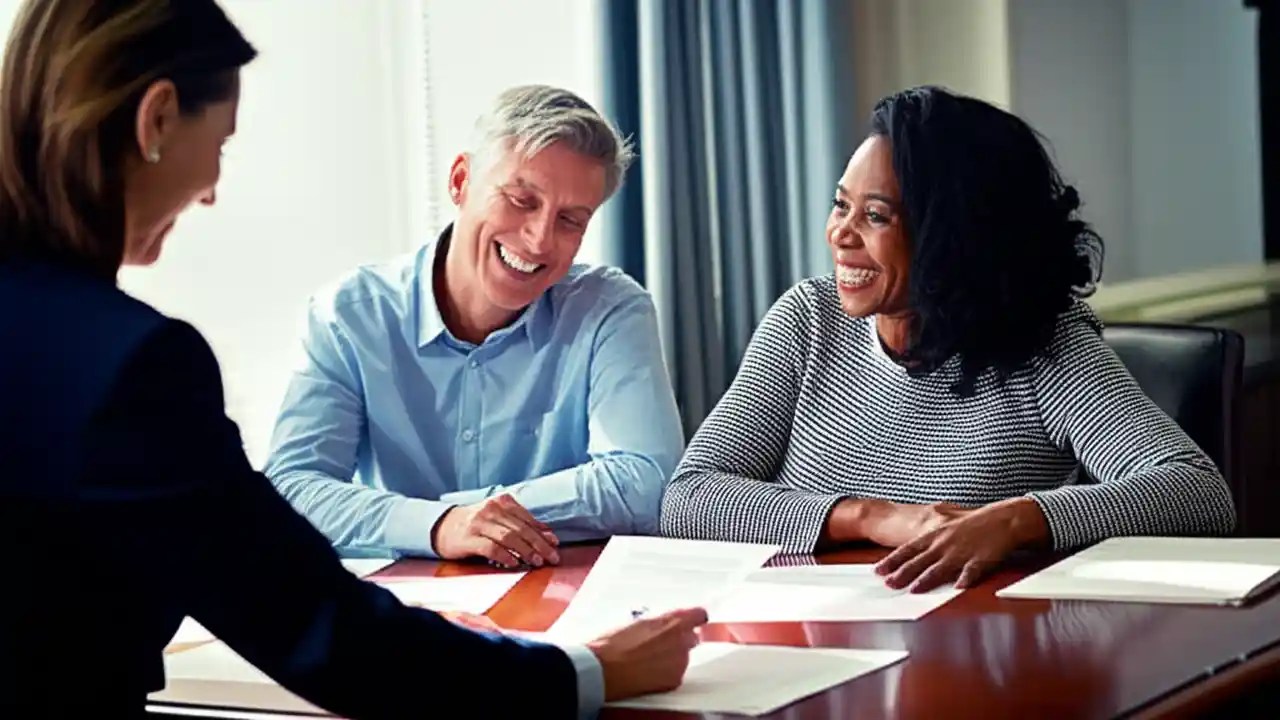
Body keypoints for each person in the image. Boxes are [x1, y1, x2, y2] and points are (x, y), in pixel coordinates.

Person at [0, 1, 704, 717]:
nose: (211, 190)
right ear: (155, 120)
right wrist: (582, 673)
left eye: (570, 219)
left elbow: (645, 479)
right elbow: (315, 625)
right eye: (219, 144)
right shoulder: (130, 365)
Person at [659, 85, 1236, 592]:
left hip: (971, 656)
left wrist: (1016, 520)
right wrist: (869, 517)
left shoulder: (1046, 346)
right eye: (841, 205)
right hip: (805, 646)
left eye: (876, 216)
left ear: (952, 236)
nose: (840, 233)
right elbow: (689, 497)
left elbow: (1197, 493)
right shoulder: (809, 319)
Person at [263, 84, 684, 567]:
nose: (539, 239)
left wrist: (459, 517)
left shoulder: (609, 308)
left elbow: (645, 482)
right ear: (461, 181)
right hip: (402, 609)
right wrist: (440, 528)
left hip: (560, 599)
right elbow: (293, 488)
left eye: (570, 219)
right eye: (521, 200)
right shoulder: (348, 315)